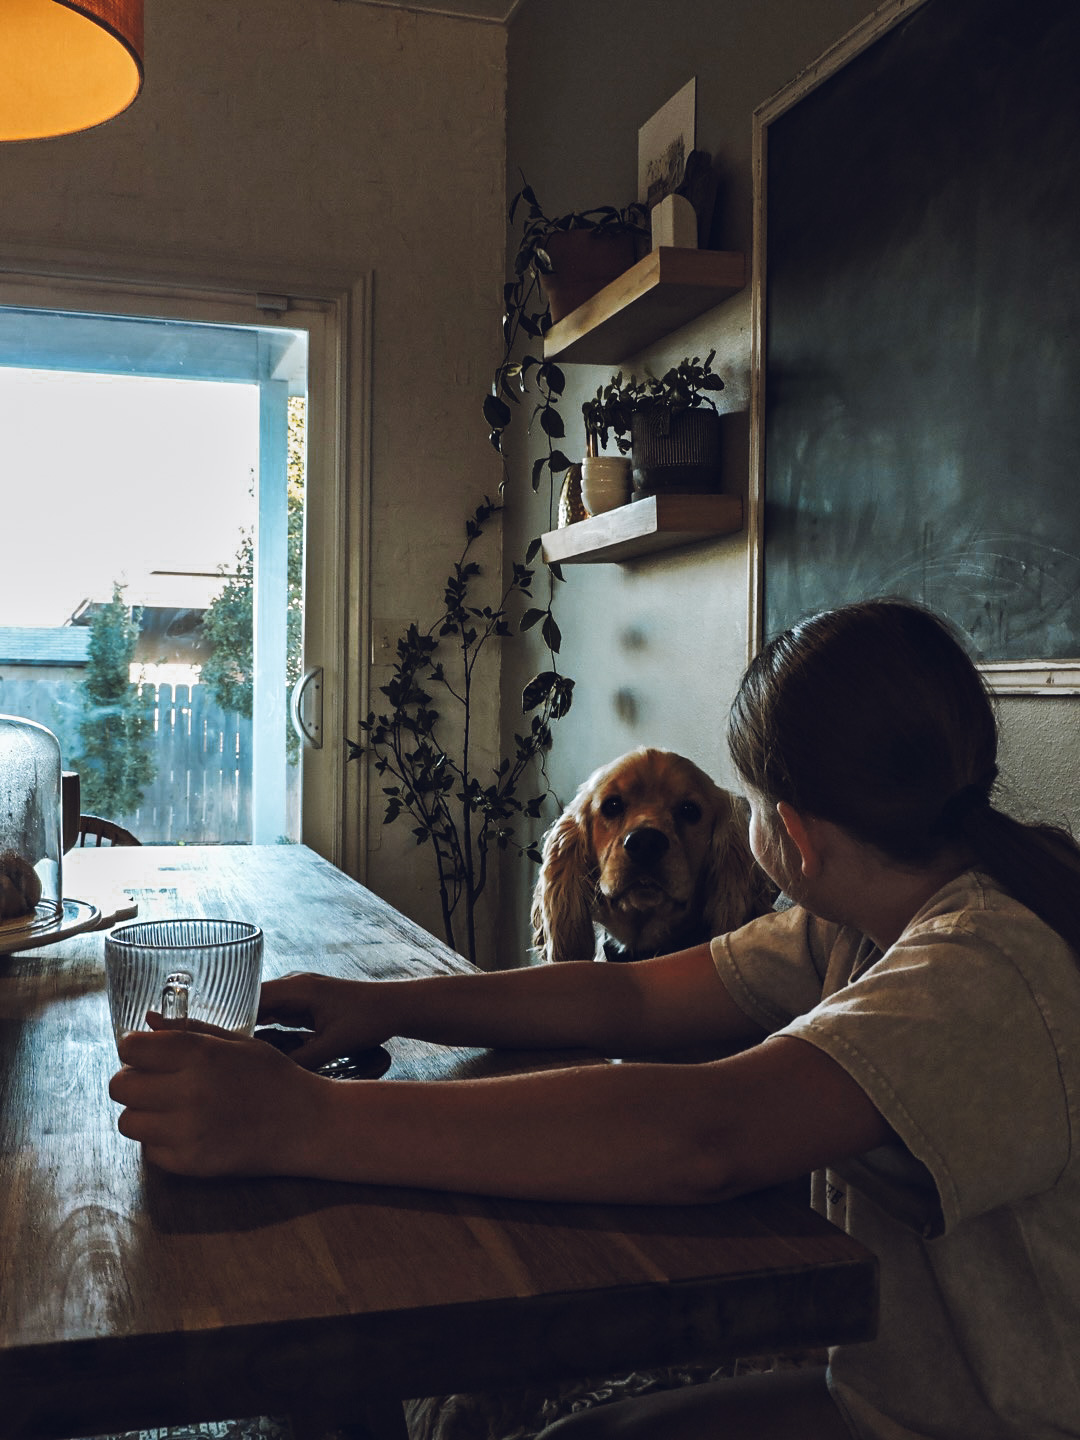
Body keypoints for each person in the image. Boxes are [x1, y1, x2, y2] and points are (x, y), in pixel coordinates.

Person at [110, 599, 1080, 1440]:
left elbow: (706, 1136)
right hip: (900, 1397)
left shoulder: (984, 967)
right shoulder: (855, 924)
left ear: (790, 830)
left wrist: (301, 1119)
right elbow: (628, 994)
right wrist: (380, 1006)